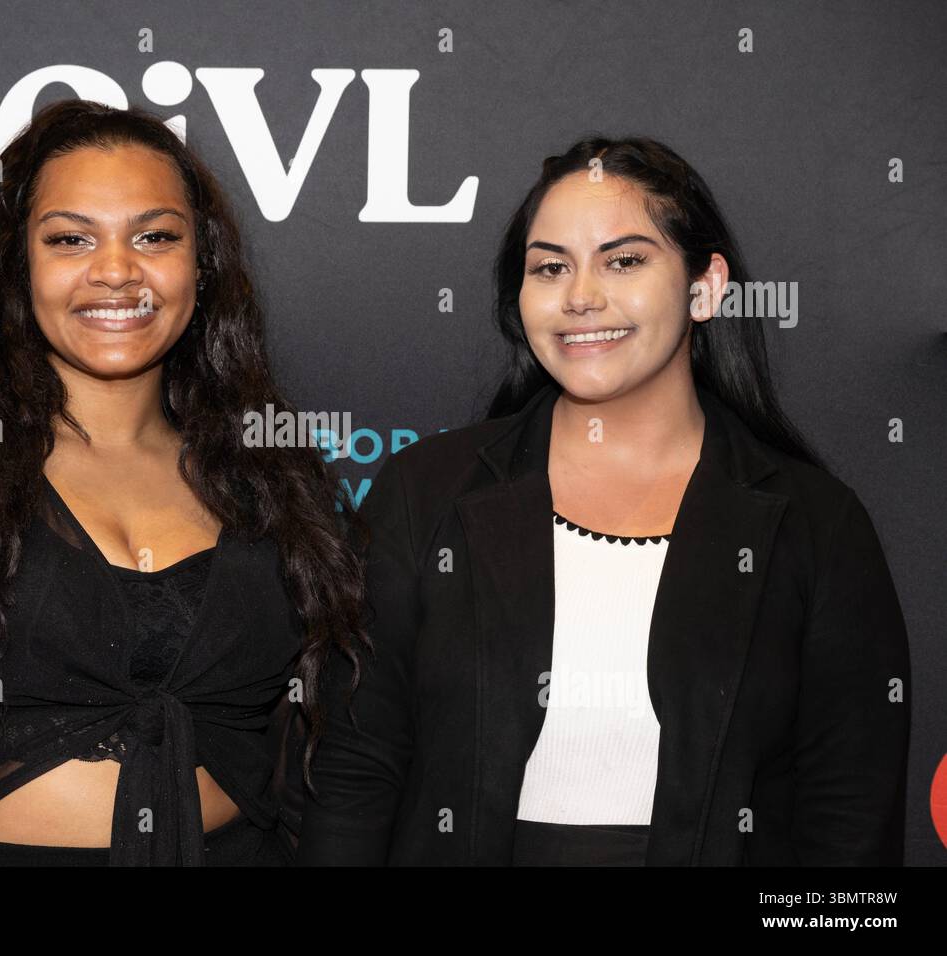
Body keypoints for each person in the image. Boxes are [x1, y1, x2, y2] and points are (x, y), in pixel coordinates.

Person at [0, 99, 368, 866]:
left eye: (155, 236)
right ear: (18, 265)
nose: (116, 270)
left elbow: (308, 768)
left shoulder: (270, 477)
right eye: (70, 238)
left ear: (203, 263)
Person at [297, 136, 912, 866]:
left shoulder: (816, 524)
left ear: (705, 286)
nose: (580, 295)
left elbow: (850, 813)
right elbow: (358, 768)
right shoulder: (424, 490)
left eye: (624, 260)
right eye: (550, 267)